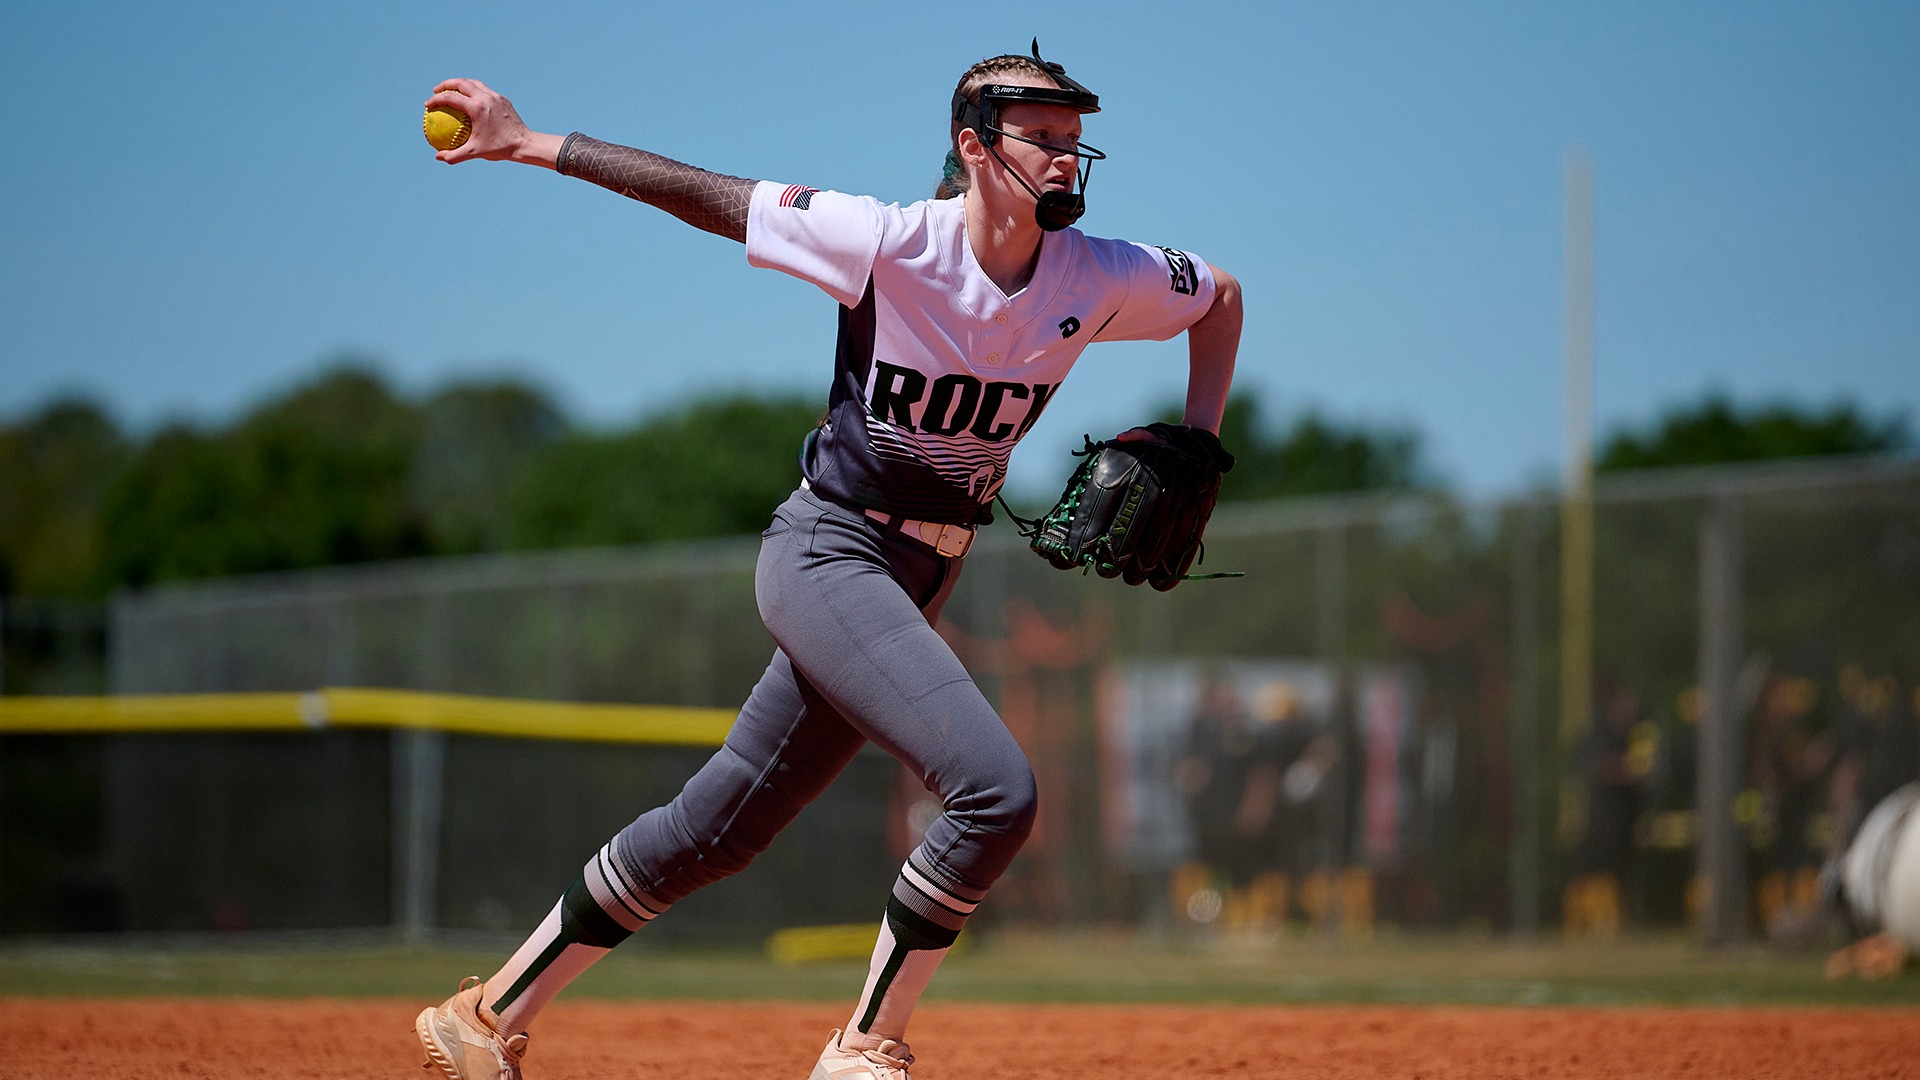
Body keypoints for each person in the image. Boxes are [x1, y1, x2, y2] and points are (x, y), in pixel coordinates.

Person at [412, 42, 1242, 1080]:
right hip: (831, 551)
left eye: (1074, 139)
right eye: (1041, 136)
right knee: (995, 791)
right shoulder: (888, 240)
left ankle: (484, 1016)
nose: (1066, 157)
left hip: (920, 577)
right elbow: (707, 196)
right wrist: (531, 142)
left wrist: (1201, 441)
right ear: (973, 146)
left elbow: (1219, 296)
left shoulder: (1096, 274)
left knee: (719, 828)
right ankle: (866, 1046)